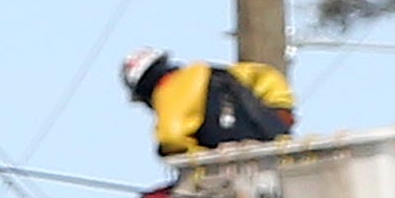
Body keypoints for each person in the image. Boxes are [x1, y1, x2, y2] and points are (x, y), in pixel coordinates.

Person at [122, 48, 296, 158]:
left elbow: (171, 137)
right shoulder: (211, 72)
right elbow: (268, 76)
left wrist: (200, 159)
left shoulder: (167, 92)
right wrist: (281, 111)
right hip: (275, 145)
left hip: (239, 165)